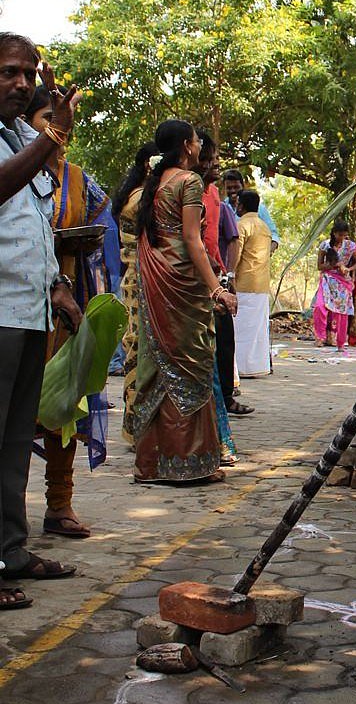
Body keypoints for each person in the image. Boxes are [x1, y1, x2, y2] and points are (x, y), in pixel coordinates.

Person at [0, 39, 82, 604]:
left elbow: (35, 218)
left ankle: (10, 550)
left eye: (29, 74)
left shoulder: (25, 138)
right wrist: (52, 138)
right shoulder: (32, 144)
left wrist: (58, 285)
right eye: (9, 72)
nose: (23, 83)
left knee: (13, 442)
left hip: (29, 311)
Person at [23, 82, 119, 538]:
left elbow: (105, 226)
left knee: (65, 401)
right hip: (22, 298)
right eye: (48, 119)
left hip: (70, 297)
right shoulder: (15, 172)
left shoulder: (78, 178)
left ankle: (60, 503)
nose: (59, 128)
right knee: (18, 408)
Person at [132, 119, 238, 484]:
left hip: (158, 279)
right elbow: (193, 240)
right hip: (183, 283)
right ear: (186, 146)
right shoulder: (189, 182)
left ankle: (151, 463)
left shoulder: (155, 183)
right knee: (190, 363)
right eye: (195, 141)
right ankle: (189, 462)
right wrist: (217, 289)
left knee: (161, 364)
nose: (199, 146)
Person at [197, 130, 251, 421]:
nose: (216, 165)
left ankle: (225, 397)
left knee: (224, 339)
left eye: (217, 159)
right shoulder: (187, 190)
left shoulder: (215, 195)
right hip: (197, 280)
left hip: (215, 276)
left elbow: (231, 238)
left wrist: (225, 275)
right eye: (210, 159)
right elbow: (192, 242)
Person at [112, 142, 156, 446]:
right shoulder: (141, 199)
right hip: (140, 281)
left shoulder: (131, 195)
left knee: (136, 349)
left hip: (132, 278)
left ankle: (135, 425)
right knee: (140, 351)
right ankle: (138, 425)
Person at [232, 190, 273, 378]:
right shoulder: (264, 227)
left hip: (244, 283)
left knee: (240, 328)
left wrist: (230, 275)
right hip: (262, 284)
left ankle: (240, 368)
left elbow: (236, 254)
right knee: (257, 329)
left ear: (241, 205)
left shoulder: (242, 225)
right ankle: (256, 366)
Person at [313, 219, 356, 350]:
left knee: (342, 311)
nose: (342, 238)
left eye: (344, 235)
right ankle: (320, 337)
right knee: (320, 306)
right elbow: (319, 265)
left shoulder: (350, 246)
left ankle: (340, 343)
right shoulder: (325, 245)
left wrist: (348, 269)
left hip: (343, 281)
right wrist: (333, 265)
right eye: (340, 235)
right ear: (334, 233)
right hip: (328, 279)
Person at [221, 168, 280, 249]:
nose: (233, 191)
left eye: (236, 187)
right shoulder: (221, 208)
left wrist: (268, 252)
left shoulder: (259, 208)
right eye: (229, 188)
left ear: (243, 186)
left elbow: (273, 235)